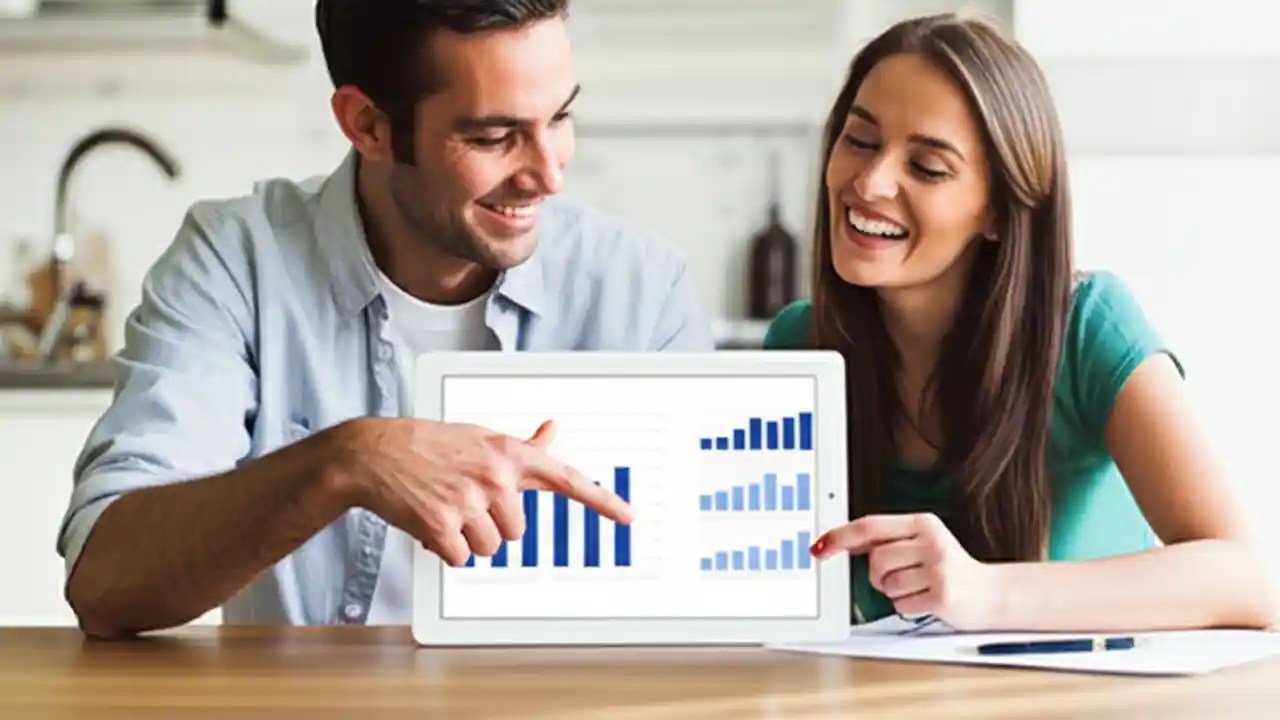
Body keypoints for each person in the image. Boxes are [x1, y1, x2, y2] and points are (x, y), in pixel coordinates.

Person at [58, 0, 713, 638]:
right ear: (367, 125)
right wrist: (348, 461)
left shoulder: (642, 288)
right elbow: (107, 585)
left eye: (560, 117)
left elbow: (718, 583)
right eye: (493, 136)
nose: (547, 175)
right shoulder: (237, 263)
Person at [766, 14, 1276, 631]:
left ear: (1000, 212)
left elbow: (1249, 581)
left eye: (927, 168)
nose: (869, 183)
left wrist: (984, 592)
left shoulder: (1089, 325)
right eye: (860, 140)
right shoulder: (803, 344)